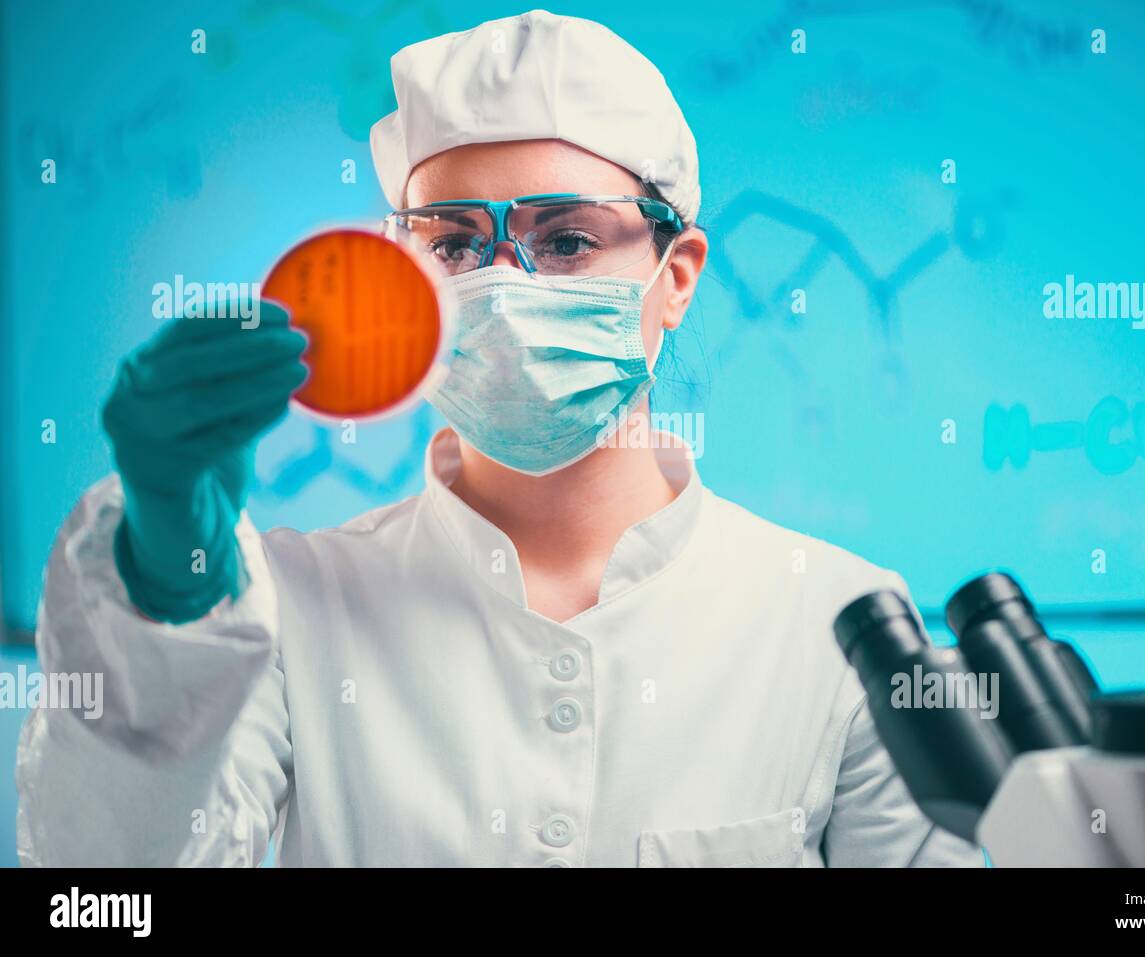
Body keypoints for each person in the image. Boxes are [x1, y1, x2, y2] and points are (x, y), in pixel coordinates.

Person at [17, 9, 983, 868]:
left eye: (566, 240)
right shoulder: (293, 605)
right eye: (453, 244)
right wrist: (163, 580)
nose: (504, 285)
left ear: (678, 275)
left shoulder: (837, 621)